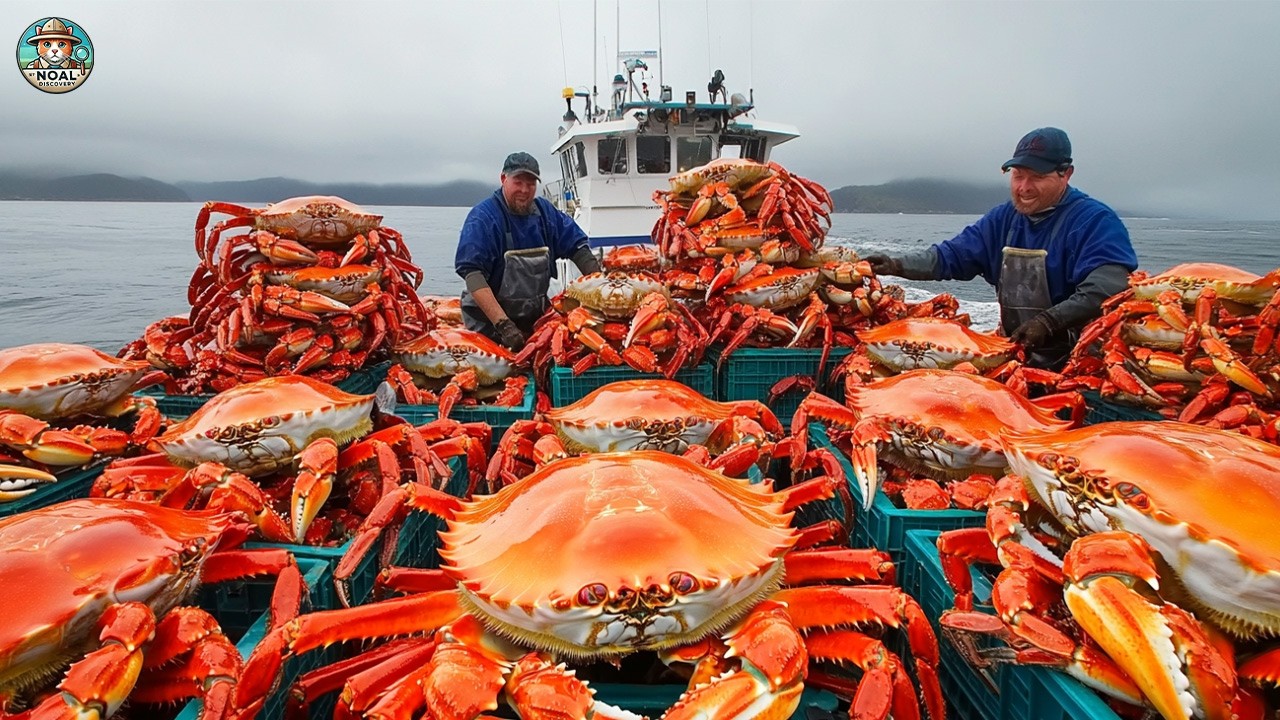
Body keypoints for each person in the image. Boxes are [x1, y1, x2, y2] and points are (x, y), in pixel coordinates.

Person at [864, 127, 1138, 370]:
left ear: (1066, 174)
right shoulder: (1004, 219)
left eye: (1037, 177)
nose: (1024, 187)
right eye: (1018, 176)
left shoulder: (1095, 221)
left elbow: (1108, 287)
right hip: (1015, 351)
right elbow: (951, 256)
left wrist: (1049, 322)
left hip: (1079, 362)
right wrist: (895, 265)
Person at [455, 151, 601, 350]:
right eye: (518, 182)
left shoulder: (545, 214)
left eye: (531, 183)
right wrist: (503, 325)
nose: (524, 190)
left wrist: (600, 287)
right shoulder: (483, 218)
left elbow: (577, 247)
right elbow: (473, 274)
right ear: (503, 179)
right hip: (488, 323)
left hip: (533, 319)